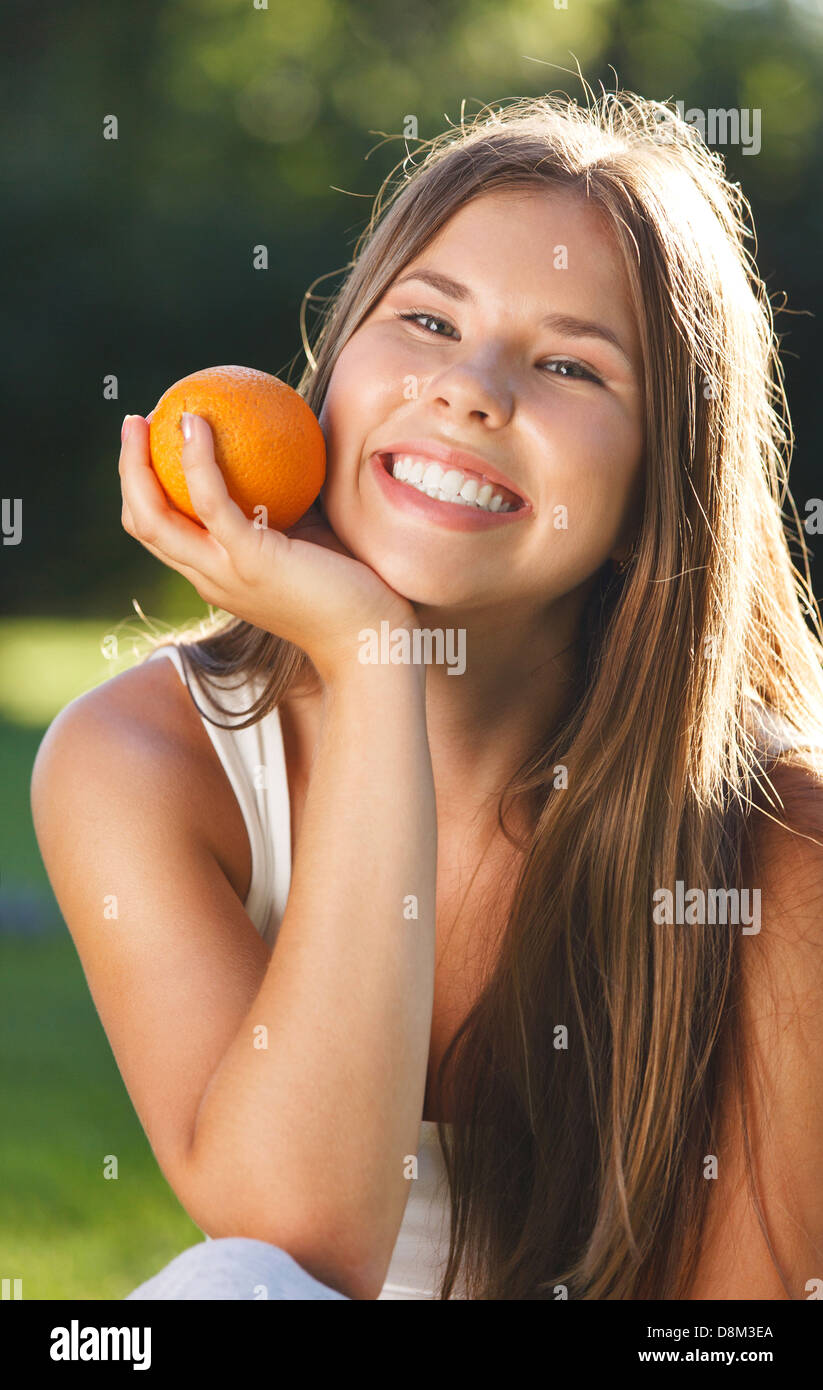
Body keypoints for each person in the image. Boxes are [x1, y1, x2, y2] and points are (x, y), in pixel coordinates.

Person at [32, 89, 823, 1301]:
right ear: (334, 366)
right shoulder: (142, 762)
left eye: (570, 363)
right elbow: (293, 1247)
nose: (470, 390)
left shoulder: (779, 856)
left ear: (654, 493)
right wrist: (373, 665)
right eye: (427, 320)